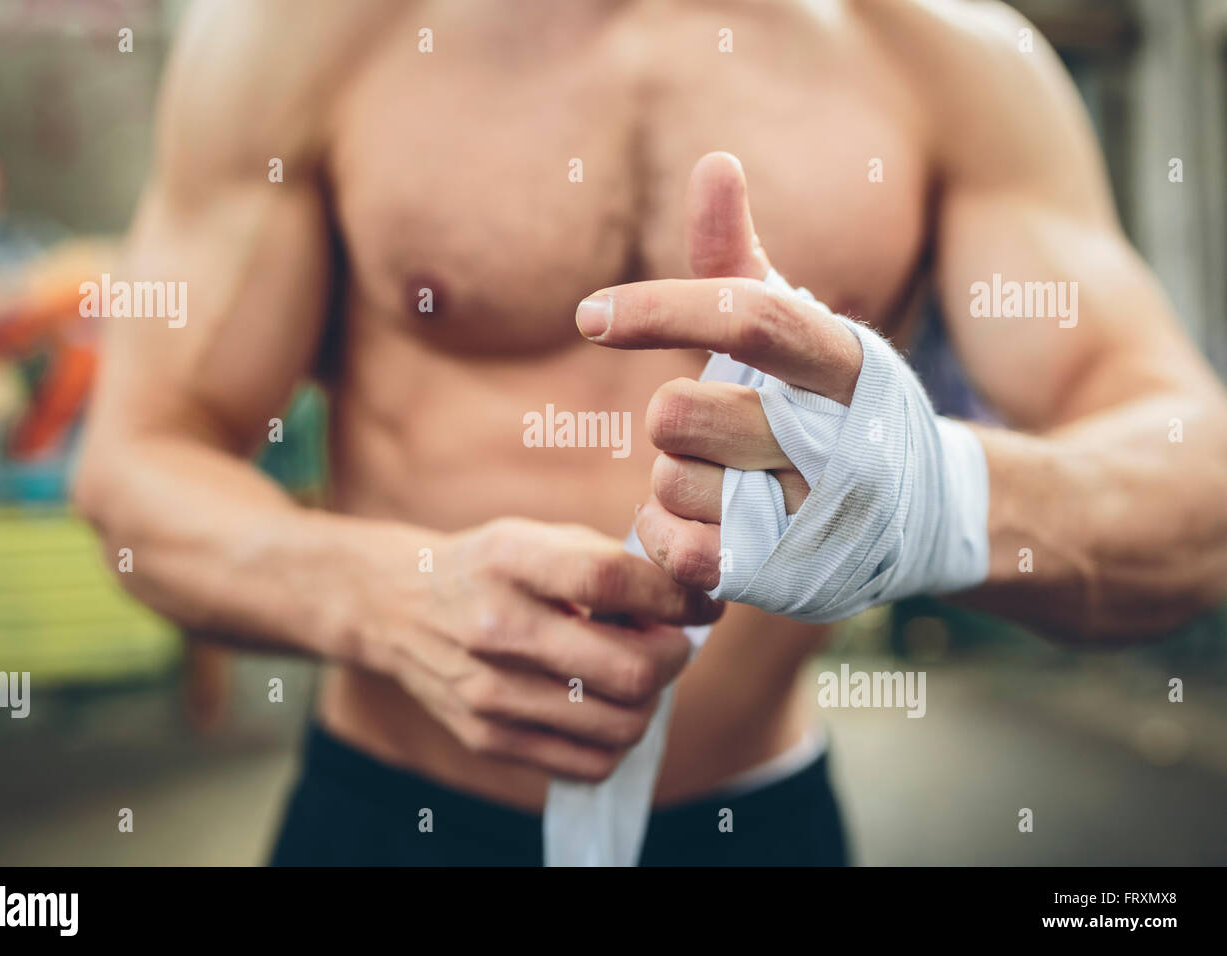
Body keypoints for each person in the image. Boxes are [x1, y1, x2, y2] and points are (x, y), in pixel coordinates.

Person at [73, 0, 1227, 865]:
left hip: (750, 818)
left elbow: (1197, 494)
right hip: (391, 813)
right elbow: (137, 461)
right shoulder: (303, 33)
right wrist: (379, 591)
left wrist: (923, 497)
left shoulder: (944, 53)